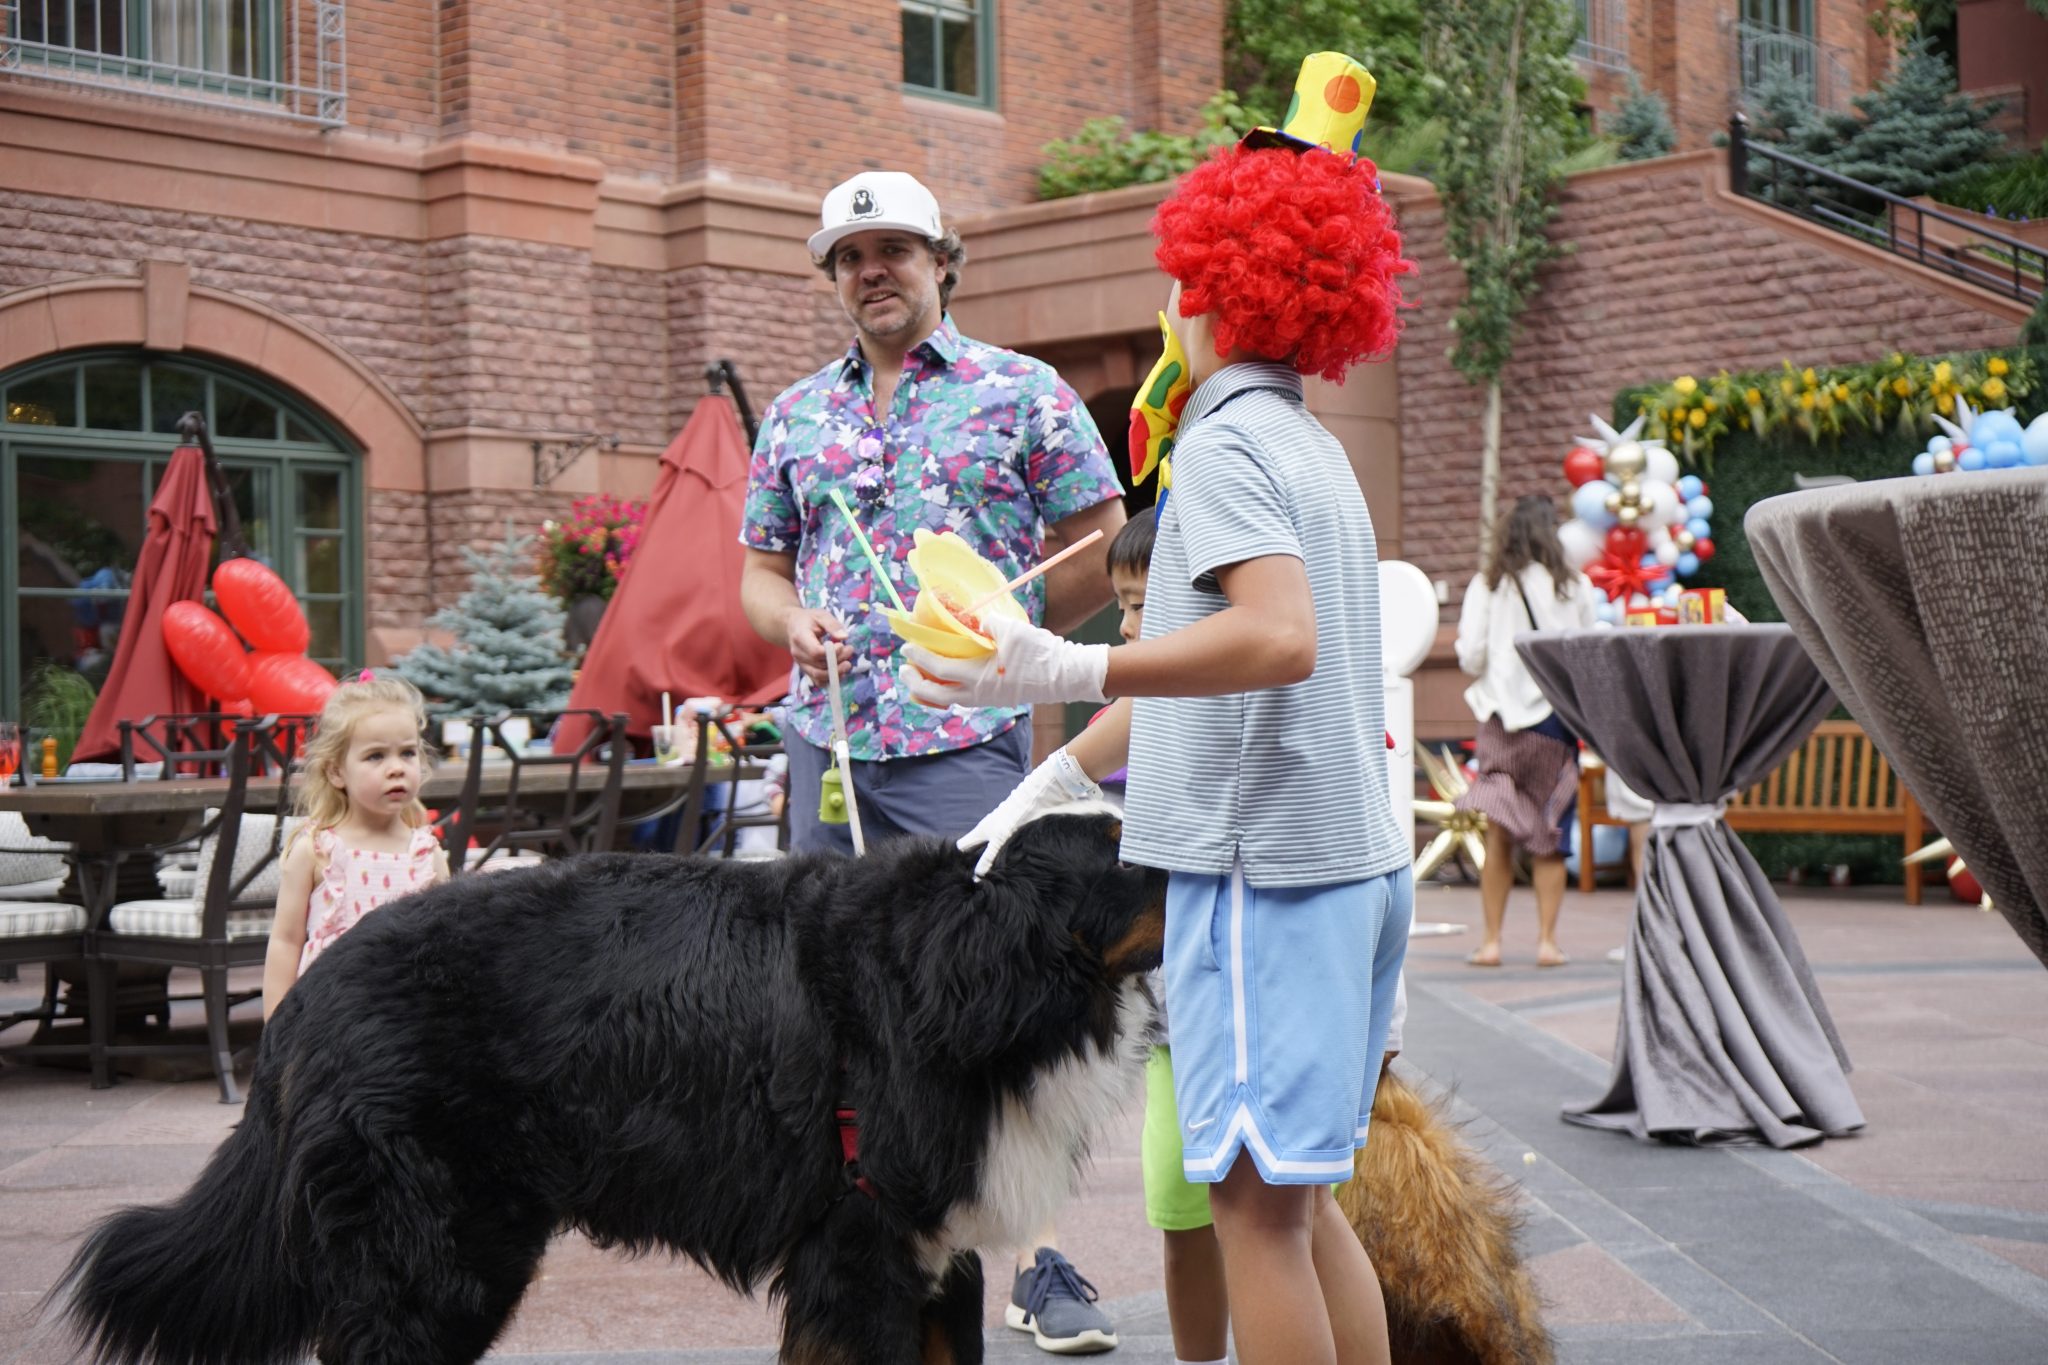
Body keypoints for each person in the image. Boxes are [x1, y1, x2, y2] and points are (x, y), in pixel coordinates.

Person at [905, 52, 1415, 1365]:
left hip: (1267, 878)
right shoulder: (1312, 445)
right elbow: (1243, 670)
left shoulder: (1231, 445)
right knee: (1301, 1209)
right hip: (1344, 866)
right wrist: (1056, 776)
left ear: (1205, 286)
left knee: (1250, 1216)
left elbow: (1273, 641)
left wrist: (1062, 666)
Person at [737, 169, 1128, 1353]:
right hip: (835, 748)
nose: (873, 270)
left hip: (971, 743)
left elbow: (1100, 544)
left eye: (895, 249)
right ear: (831, 277)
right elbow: (759, 571)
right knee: (832, 1006)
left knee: (984, 1005)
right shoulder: (798, 413)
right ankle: (847, 1240)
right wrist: (788, 622)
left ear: (941, 260)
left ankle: (1027, 1251)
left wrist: (999, 624)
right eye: (851, 255)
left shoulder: (1025, 393)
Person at [1453, 495, 1602, 969]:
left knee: (1500, 831)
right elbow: (1588, 652)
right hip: (1554, 724)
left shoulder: (1489, 584)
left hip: (1501, 722)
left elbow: (1470, 656)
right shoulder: (1573, 585)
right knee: (1549, 833)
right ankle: (1547, 943)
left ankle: (1492, 943)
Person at [262, 674, 450, 1019]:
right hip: (329, 1018)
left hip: (404, 1019)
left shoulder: (426, 855)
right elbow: (286, 941)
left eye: (407, 753)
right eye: (376, 756)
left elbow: (444, 946)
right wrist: (276, 1028)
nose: (396, 768)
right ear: (336, 772)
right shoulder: (318, 851)